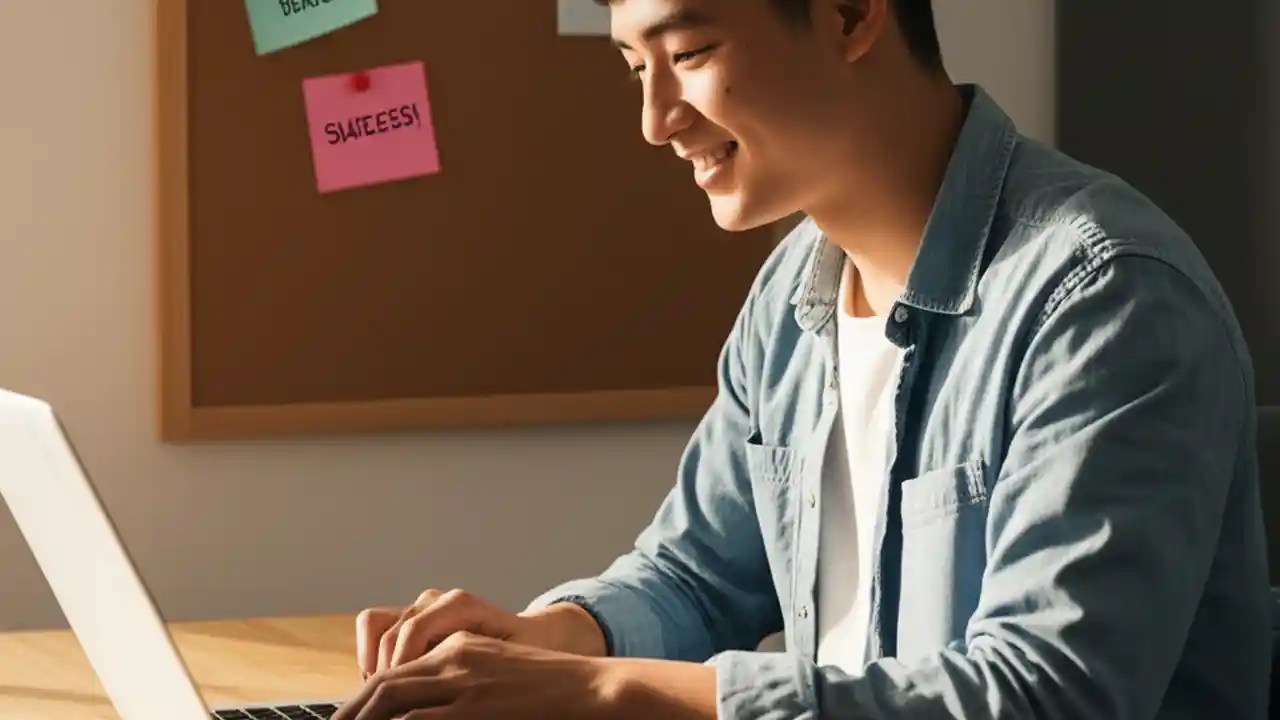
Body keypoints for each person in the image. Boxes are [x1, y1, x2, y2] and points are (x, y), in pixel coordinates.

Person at [332, 0, 1272, 717]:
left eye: (690, 55)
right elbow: (700, 573)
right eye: (635, 70)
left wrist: (606, 690)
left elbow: (1043, 695)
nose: (656, 120)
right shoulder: (794, 293)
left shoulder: (1104, 297)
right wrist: (551, 637)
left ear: (853, 14)